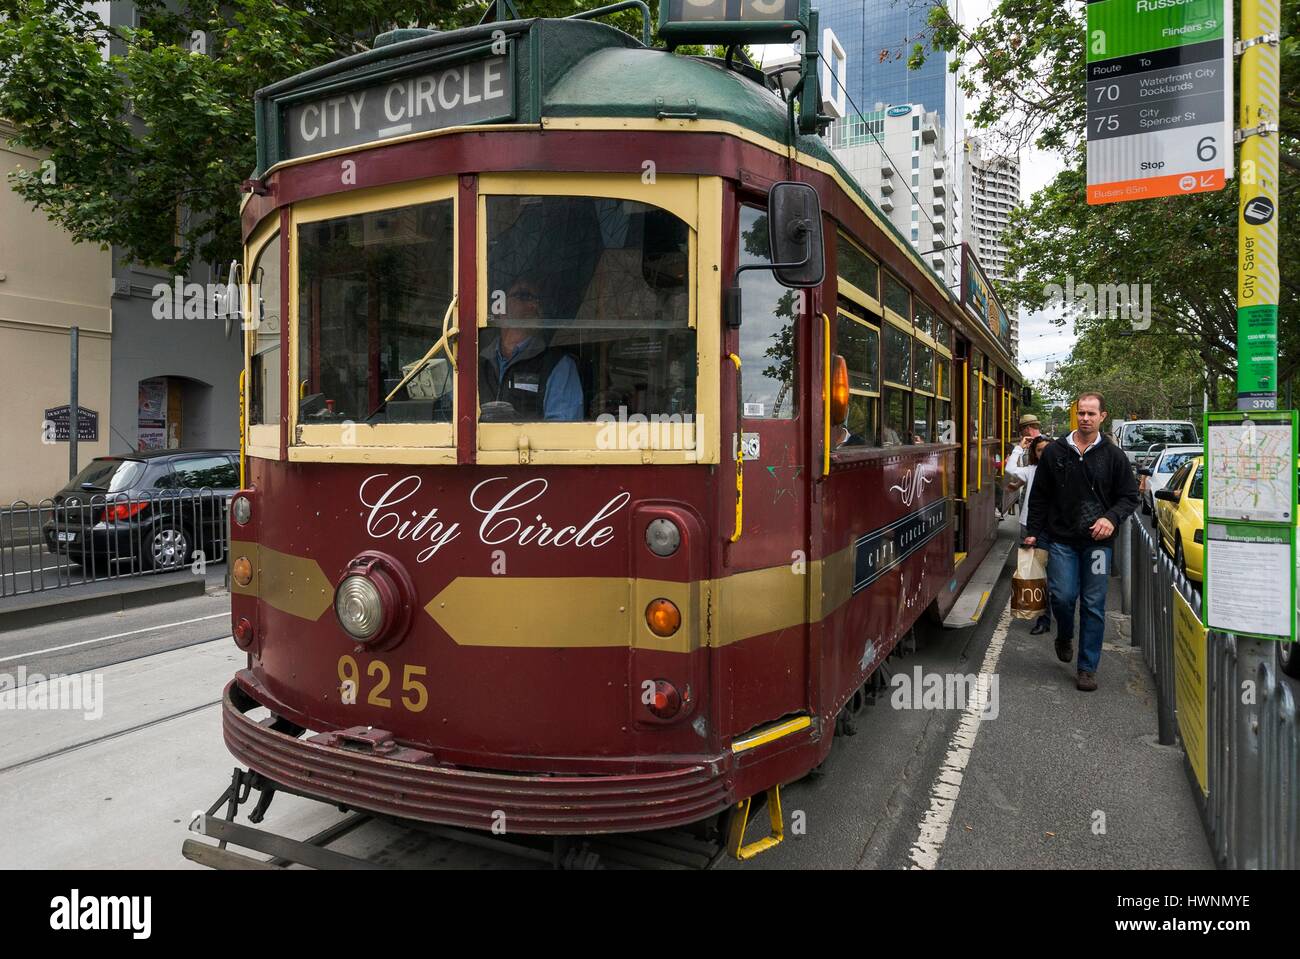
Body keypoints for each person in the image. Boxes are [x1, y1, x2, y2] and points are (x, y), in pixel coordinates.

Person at [1025, 391, 1138, 692]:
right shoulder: (1055, 452)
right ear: (1075, 415)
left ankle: (1087, 668)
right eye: (1081, 413)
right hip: (1061, 540)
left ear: (1102, 417)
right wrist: (1033, 532)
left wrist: (1111, 518)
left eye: (1091, 414)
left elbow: (1129, 497)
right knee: (1062, 597)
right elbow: (1039, 496)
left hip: (1098, 545)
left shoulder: (1114, 456)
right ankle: (1064, 634)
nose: (1085, 418)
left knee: (1093, 605)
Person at [479, 276, 584, 421]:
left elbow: (562, 434)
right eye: (524, 296)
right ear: (499, 304)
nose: (535, 305)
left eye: (539, 300)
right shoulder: (476, 360)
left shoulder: (558, 365)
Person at [1008, 434, 1053, 635]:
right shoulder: (1031, 470)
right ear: (1034, 454)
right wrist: (1020, 448)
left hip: (1053, 528)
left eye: (1047, 450)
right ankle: (1042, 618)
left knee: (1053, 577)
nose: (1044, 454)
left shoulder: (1062, 470)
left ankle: (1055, 611)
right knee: (1037, 576)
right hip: (1030, 527)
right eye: (1039, 450)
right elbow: (1010, 469)